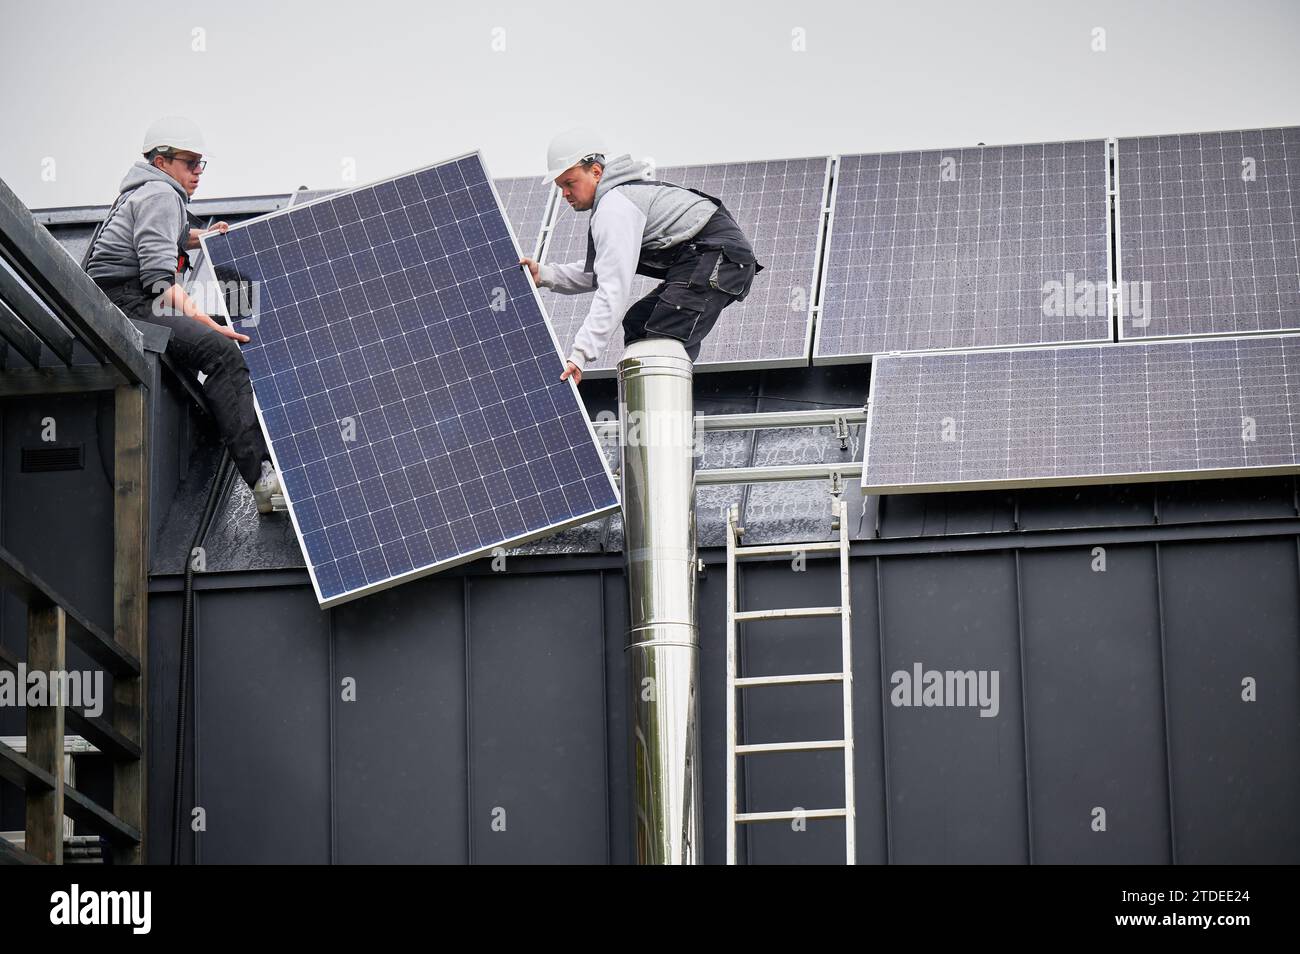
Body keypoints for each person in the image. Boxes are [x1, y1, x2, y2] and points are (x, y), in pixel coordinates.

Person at [84, 116, 282, 514]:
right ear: (161, 161)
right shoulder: (160, 193)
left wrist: (202, 237)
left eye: (200, 164)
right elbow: (159, 280)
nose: (197, 173)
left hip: (116, 298)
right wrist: (205, 324)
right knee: (222, 352)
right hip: (126, 302)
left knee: (211, 342)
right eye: (189, 163)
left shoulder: (145, 192)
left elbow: (166, 237)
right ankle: (262, 476)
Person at [520, 127, 763, 383]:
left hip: (717, 258)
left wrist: (580, 354)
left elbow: (612, 288)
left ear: (595, 171)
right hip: (708, 259)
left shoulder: (615, 207)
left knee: (661, 334)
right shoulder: (617, 201)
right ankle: (657, 405)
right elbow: (602, 272)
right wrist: (545, 274)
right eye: (560, 187)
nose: (565, 194)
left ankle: (666, 414)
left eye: (570, 183)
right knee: (640, 323)